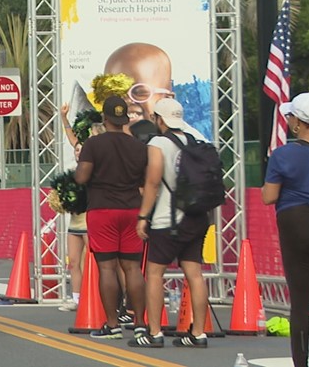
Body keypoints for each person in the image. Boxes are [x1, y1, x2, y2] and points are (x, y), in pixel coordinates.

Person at [130, 97, 211, 349]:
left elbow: (153, 182)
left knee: (154, 274)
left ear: (159, 119)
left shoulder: (157, 143)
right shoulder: (194, 141)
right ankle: (198, 333)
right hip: (195, 217)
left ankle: (154, 333)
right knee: (195, 274)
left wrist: (143, 216)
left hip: (167, 219)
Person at [74, 96, 148, 341]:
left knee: (106, 267)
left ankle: (113, 323)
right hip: (131, 210)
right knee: (132, 268)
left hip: (102, 209)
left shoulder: (94, 144)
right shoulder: (138, 145)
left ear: (104, 118)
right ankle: (139, 323)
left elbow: (82, 177)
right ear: (124, 118)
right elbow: (144, 180)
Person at [262, 92, 309, 367]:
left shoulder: (283, 154)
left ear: (298, 122)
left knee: (300, 300)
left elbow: (269, 196)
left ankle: (301, 362)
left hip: (296, 221)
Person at [59, 104, 88, 312]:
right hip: (75, 222)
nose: (78, 152)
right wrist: (63, 118)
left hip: (90, 222)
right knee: (74, 261)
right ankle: (77, 298)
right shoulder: (74, 174)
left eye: (81, 150)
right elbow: (71, 138)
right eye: (77, 150)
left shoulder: (94, 170)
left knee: (91, 263)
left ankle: (91, 297)